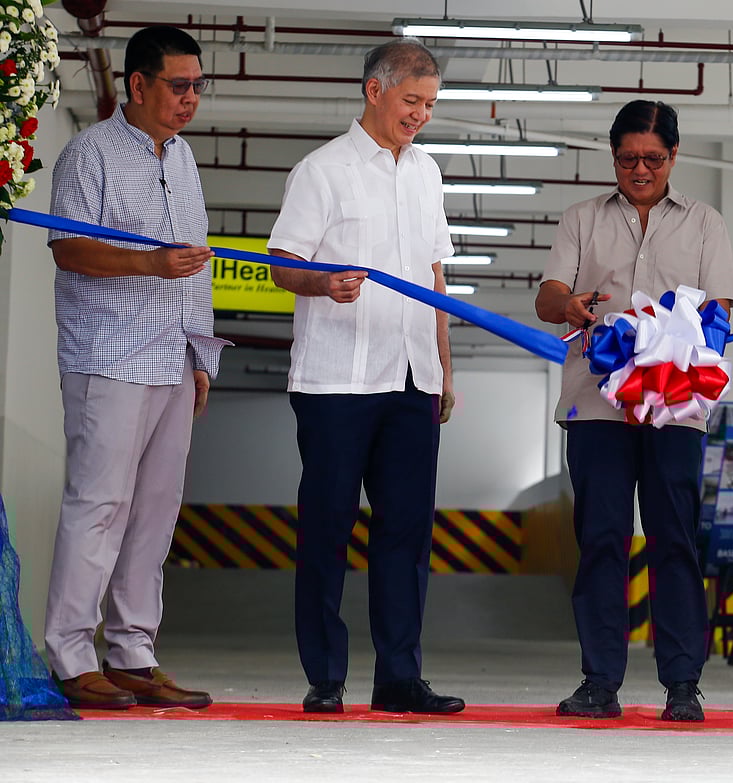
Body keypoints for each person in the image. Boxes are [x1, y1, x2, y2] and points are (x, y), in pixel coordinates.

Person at [267, 39, 462, 716]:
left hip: (412, 376)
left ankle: (399, 676)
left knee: (407, 531)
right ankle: (325, 675)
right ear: (375, 91)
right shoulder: (322, 171)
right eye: (413, 101)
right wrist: (322, 282)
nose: (421, 116)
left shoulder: (429, 172)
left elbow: (437, 276)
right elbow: (282, 263)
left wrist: (443, 366)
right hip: (336, 383)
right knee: (327, 527)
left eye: (430, 105)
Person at [535, 100, 733, 722]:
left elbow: (722, 312)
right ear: (614, 157)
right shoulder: (582, 218)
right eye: (628, 160)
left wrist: (688, 340)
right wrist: (570, 304)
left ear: (674, 156)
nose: (640, 171)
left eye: (653, 159)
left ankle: (683, 685)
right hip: (596, 408)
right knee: (601, 540)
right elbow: (548, 298)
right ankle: (600, 682)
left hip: (675, 410)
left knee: (674, 540)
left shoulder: (706, 224)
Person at [43, 25, 225, 710]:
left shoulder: (182, 160)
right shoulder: (89, 155)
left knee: (154, 510)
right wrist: (149, 262)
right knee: (99, 504)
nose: (190, 100)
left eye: (197, 87)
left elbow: (196, 265)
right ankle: (70, 652)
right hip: (109, 355)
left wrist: (201, 355)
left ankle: (133, 651)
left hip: (173, 355)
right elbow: (68, 248)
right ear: (138, 85)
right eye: (179, 86)